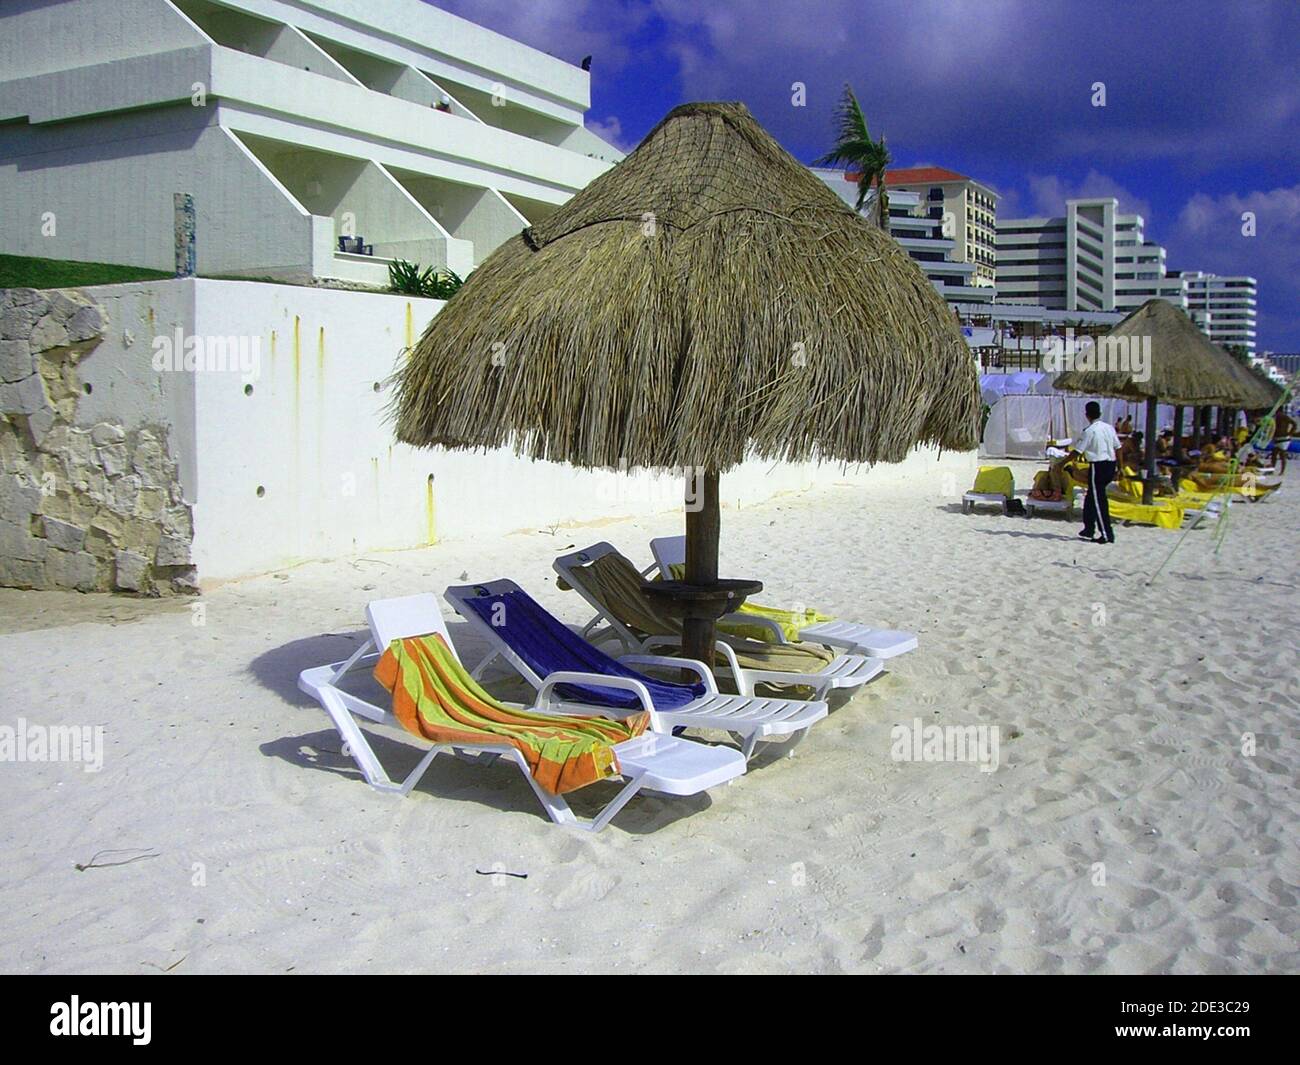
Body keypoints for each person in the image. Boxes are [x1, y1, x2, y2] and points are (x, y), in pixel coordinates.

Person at [1062, 400, 1121, 544]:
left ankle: (1106, 534)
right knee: (1091, 497)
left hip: (1098, 466)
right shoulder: (1109, 428)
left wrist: (1061, 463)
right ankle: (1088, 528)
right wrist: (1120, 467)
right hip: (1110, 463)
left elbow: (1077, 451)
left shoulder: (1090, 431)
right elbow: (1118, 448)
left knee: (1099, 500)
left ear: (1087, 415)